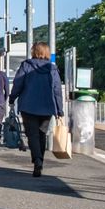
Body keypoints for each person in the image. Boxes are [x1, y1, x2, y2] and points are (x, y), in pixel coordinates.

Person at [8, 41, 63, 177]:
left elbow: (17, 83)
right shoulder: (52, 68)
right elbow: (57, 90)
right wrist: (59, 110)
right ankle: (40, 160)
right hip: (47, 107)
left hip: (28, 105)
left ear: (34, 51)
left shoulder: (26, 65)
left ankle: (37, 160)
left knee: (32, 134)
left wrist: (12, 98)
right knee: (41, 134)